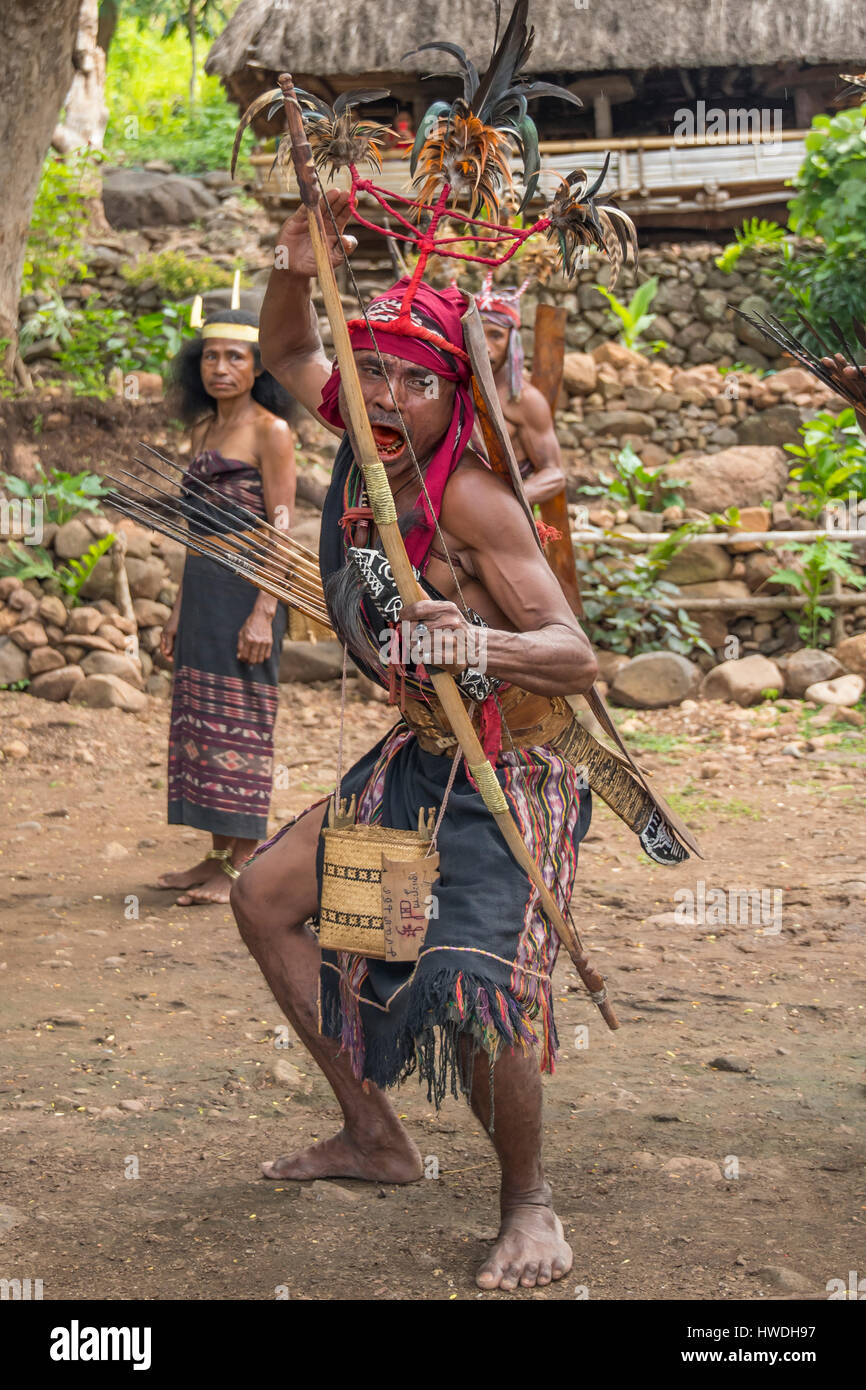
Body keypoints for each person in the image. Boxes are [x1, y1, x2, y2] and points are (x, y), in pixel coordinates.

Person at [230, 189, 598, 1292]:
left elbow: (573, 655)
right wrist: (296, 263)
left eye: (413, 383)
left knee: (471, 983)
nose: (384, 398)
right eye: (374, 377)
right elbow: (289, 346)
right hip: (420, 758)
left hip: (505, 767)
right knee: (265, 897)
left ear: (454, 396)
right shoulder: (366, 427)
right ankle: (375, 1137)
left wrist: (475, 640)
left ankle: (529, 1206)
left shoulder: (475, 497)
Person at [156, 309, 296, 905]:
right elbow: (194, 534)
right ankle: (215, 854)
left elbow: (283, 529)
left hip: (249, 592)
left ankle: (241, 865)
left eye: (235, 356)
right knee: (200, 720)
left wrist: (265, 609)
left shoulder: (272, 432)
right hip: (203, 589)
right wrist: (176, 610)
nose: (221, 367)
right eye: (211, 356)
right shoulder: (202, 432)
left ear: (258, 367)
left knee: (240, 717)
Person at [476, 272, 566, 506]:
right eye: (477, 334)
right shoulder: (449, 389)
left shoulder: (524, 400)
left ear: (512, 342)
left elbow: (553, 474)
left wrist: (504, 506)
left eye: (496, 335)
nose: (485, 347)